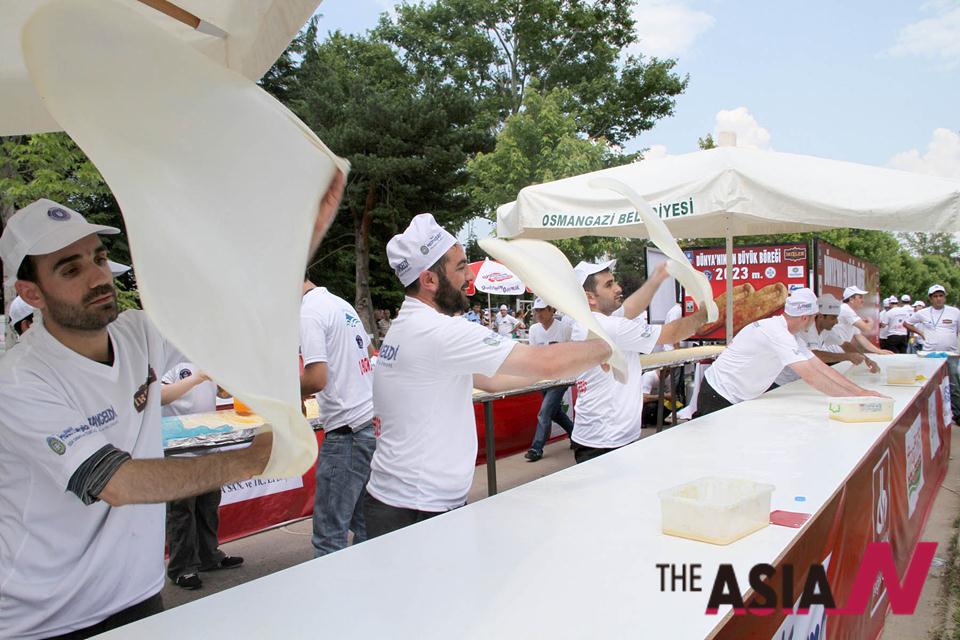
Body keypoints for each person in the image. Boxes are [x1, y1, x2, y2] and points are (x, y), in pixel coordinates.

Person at [0, 181, 344, 639]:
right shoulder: (20, 379)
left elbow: (232, 308)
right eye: (70, 268)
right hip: (49, 619)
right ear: (33, 293)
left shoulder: (134, 333)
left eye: (99, 258)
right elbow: (117, 483)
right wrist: (253, 458)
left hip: (137, 597)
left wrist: (296, 241)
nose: (98, 276)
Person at [365, 214, 612, 538]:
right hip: (416, 509)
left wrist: (580, 361)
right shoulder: (439, 331)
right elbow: (546, 362)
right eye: (460, 267)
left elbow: (493, 379)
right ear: (429, 280)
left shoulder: (409, 324)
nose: (469, 276)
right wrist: (605, 349)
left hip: (403, 502)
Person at [568, 259, 709, 464]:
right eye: (609, 285)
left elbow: (629, 309)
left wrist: (658, 276)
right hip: (604, 443)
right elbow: (672, 333)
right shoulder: (607, 327)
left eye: (614, 281)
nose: (618, 288)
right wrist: (705, 313)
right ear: (590, 297)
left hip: (604, 437)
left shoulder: (591, 319)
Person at [695, 288, 885, 418]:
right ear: (805, 317)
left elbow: (820, 368)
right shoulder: (777, 333)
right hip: (718, 394)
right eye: (813, 318)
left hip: (736, 394)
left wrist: (860, 392)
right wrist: (855, 400)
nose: (813, 321)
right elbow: (811, 377)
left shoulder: (790, 335)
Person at [300, 278, 377, 558]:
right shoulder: (339, 303)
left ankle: (334, 597)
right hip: (368, 424)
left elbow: (317, 378)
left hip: (347, 432)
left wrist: (285, 391)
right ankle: (366, 589)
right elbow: (369, 354)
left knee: (329, 535)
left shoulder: (308, 312)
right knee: (365, 525)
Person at [160, 363, 242, 590]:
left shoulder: (207, 357)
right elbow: (160, 396)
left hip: (208, 445)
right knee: (181, 513)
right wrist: (197, 378)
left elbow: (223, 392)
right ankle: (181, 568)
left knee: (208, 507)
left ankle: (209, 556)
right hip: (178, 449)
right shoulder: (170, 358)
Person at [772, 293, 879, 387]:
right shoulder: (807, 329)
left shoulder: (826, 330)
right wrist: (847, 356)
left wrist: (866, 359)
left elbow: (845, 344)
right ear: (821, 317)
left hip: (799, 379)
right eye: (833, 318)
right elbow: (813, 354)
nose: (836, 322)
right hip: (782, 381)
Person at [523, 298, 575, 462]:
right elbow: (533, 354)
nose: (538, 314)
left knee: (545, 412)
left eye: (542, 310)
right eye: (536, 311)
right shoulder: (533, 329)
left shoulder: (564, 328)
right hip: (542, 377)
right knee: (555, 412)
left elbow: (571, 351)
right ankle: (576, 435)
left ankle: (536, 448)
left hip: (561, 378)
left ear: (552, 310)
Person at [905, 284, 959, 424]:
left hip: (950, 355)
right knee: (929, 385)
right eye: (935, 296)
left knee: (954, 386)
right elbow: (907, 323)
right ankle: (930, 415)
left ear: (944, 297)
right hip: (929, 355)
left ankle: (957, 415)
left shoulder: (955, 312)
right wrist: (920, 332)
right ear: (930, 299)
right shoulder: (922, 313)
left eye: (941, 296)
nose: (938, 299)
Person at [836, 286, 893, 356]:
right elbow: (867, 329)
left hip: (838, 353)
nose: (863, 300)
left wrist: (878, 351)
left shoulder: (847, 311)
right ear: (851, 299)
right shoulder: (846, 309)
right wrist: (871, 321)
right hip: (833, 353)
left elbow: (860, 337)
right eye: (860, 297)